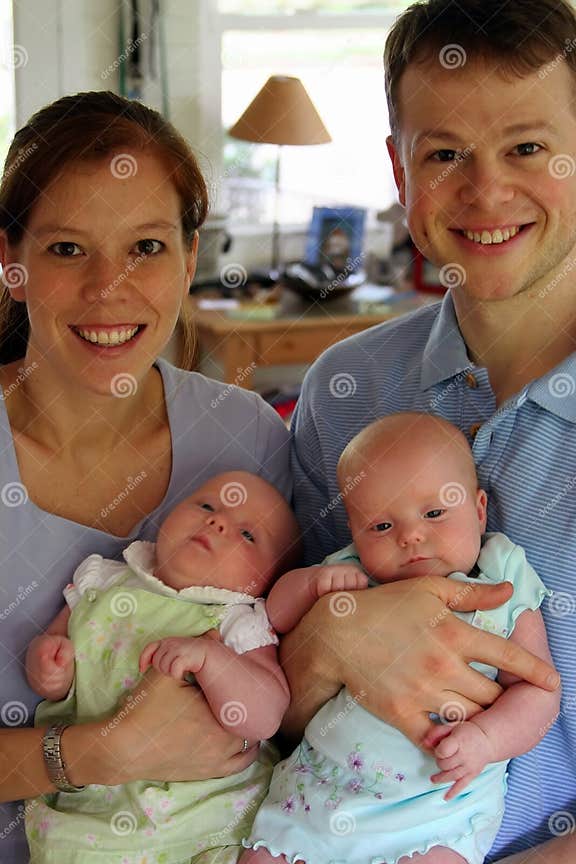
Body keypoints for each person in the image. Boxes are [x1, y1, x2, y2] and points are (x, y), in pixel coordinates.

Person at [280, 1, 575, 862]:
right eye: (445, 154)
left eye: (527, 147)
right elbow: (278, 711)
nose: (487, 193)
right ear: (399, 171)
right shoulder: (342, 392)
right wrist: (332, 637)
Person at [0, 91, 292, 863]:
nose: (110, 286)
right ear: (11, 263)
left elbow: (303, 692)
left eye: (147, 247)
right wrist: (93, 753)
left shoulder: (251, 442)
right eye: (68, 249)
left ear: (190, 259)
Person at [242, 414, 560, 864]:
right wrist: (311, 584)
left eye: (434, 513)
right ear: (355, 533)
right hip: (320, 795)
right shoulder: (351, 573)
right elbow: (274, 614)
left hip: (434, 812)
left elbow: (539, 688)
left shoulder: (500, 575)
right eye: (381, 527)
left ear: (479, 510)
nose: (410, 536)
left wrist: (487, 740)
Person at [23, 470, 300, 863]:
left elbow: (266, 716)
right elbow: (55, 653)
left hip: (206, 810)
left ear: (266, 581)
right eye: (206, 505)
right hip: (98, 800)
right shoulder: (102, 581)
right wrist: (48, 667)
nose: (218, 521)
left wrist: (214, 660)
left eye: (248, 535)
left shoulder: (236, 620)